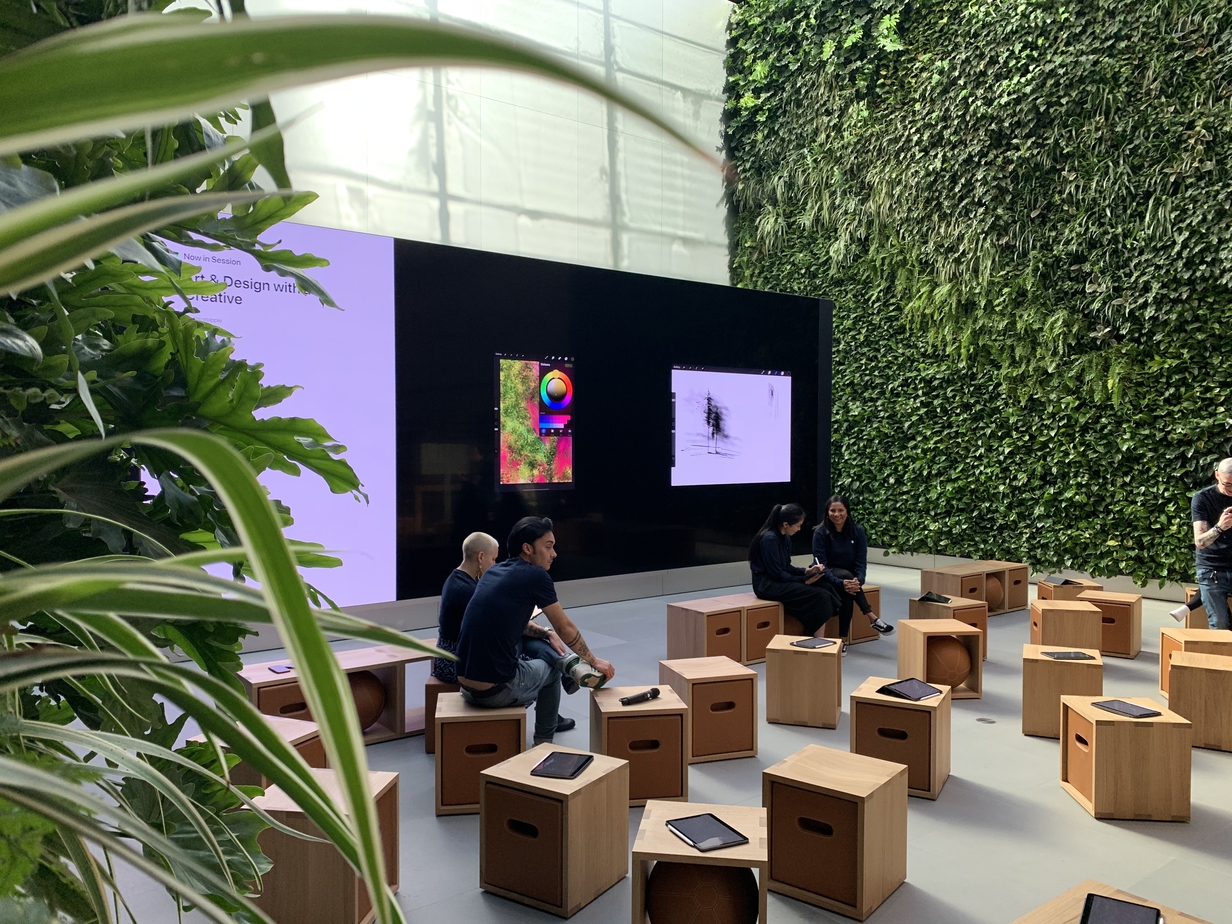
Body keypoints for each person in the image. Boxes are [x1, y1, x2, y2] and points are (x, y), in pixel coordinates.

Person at [455, 516, 616, 744]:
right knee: (551, 672)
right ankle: (544, 742)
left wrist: (547, 633)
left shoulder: (494, 571)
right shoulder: (536, 575)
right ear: (528, 548)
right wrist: (592, 660)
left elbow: (523, 627)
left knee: (537, 640)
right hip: (494, 691)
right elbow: (565, 627)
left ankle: (569, 666)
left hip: (465, 683)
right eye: (548, 546)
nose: (554, 553)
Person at [748, 503, 843, 649]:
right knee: (820, 595)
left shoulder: (785, 538)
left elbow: (786, 567)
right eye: (797, 526)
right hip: (767, 585)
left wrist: (807, 572)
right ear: (786, 524)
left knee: (826, 586)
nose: (799, 529)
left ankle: (816, 636)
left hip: (779, 580)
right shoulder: (769, 539)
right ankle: (817, 638)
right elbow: (776, 573)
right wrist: (803, 582)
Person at [812, 495, 895, 635]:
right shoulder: (820, 532)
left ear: (847, 512)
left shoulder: (858, 531)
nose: (836, 514)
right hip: (827, 575)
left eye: (840, 510)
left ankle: (843, 640)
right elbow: (821, 565)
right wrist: (840, 582)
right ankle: (871, 617)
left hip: (849, 577)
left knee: (848, 590)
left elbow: (861, 561)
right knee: (846, 579)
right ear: (827, 512)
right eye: (832, 510)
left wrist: (859, 580)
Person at [432, 532, 499, 685]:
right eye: (493, 559)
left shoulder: (457, 579)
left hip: (451, 657)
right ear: (481, 557)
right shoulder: (465, 590)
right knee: (528, 664)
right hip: (455, 664)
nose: (495, 565)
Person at [1189, 458, 1232, 630]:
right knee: (1220, 623)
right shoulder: (1202, 498)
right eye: (1227, 484)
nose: (1231, 489)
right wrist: (1221, 527)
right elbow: (1200, 542)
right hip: (1212, 567)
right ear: (1217, 475)